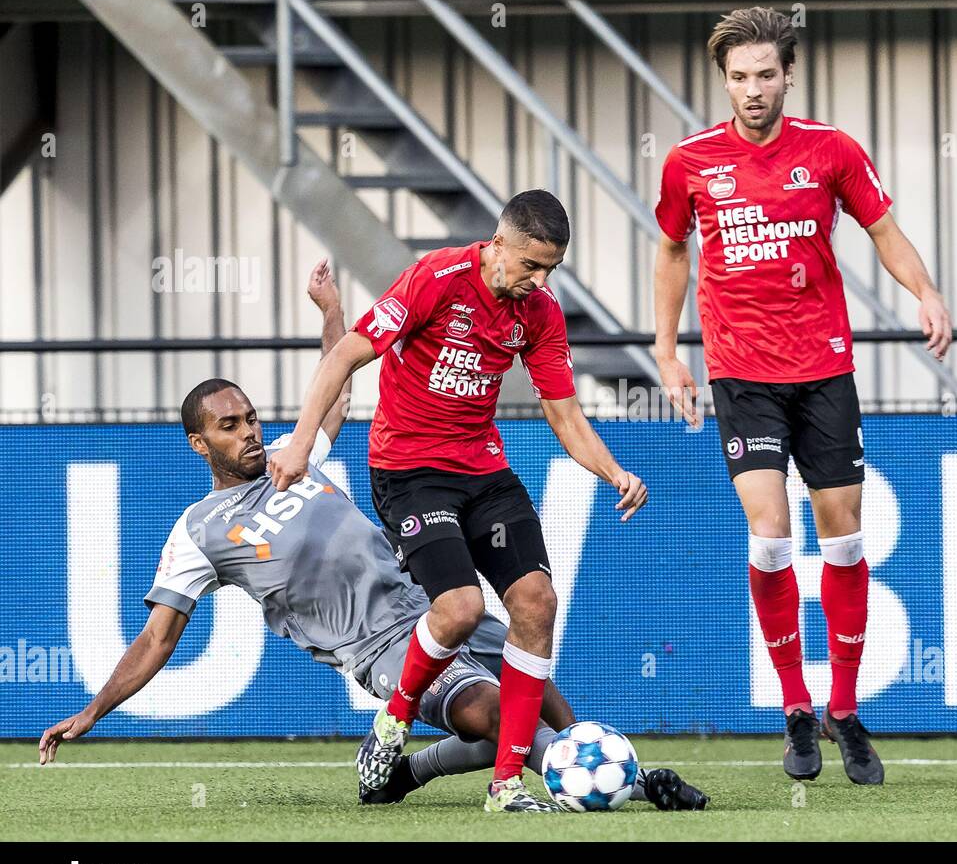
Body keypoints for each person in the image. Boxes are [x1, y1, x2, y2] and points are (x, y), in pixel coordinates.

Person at [38, 261, 706, 813]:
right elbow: (158, 638)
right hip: (379, 649)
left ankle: (416, 773)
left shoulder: (289, 461)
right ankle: (621, 783)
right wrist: (93, 710)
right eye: (228, 425)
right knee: (501, 713)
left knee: (538, 686)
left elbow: (336, 393)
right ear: (198, 442)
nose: (246, 431)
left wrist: (331, 312)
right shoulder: (199, 530)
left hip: (430, 604)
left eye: (248, 418)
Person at [268, 192, 650, 812]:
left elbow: (564, 411)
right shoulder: (435, 279)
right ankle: (393, 722)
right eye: (530, 265)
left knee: (536, 602)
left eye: (551, 268)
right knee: (461, 608)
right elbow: (346, 355)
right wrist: (303, 444)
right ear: (497, 245)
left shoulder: (540, 312)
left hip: (483, 470)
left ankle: (506, 785)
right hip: (409, 470)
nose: (539, 280)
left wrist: (613, 470)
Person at [652, 7, 953, 785]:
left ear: (788, 74)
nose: (752, 90)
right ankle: (794, 706)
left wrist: (924, 292)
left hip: (822, 369)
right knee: (768, 528)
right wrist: (667, 349)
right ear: (724, 81)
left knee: (844, 536)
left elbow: (884, 229)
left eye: (764, 75)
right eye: (738, 77)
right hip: (741, 373)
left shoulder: (831, 151)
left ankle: (844, 709)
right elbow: (673, 252)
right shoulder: (690, 163)